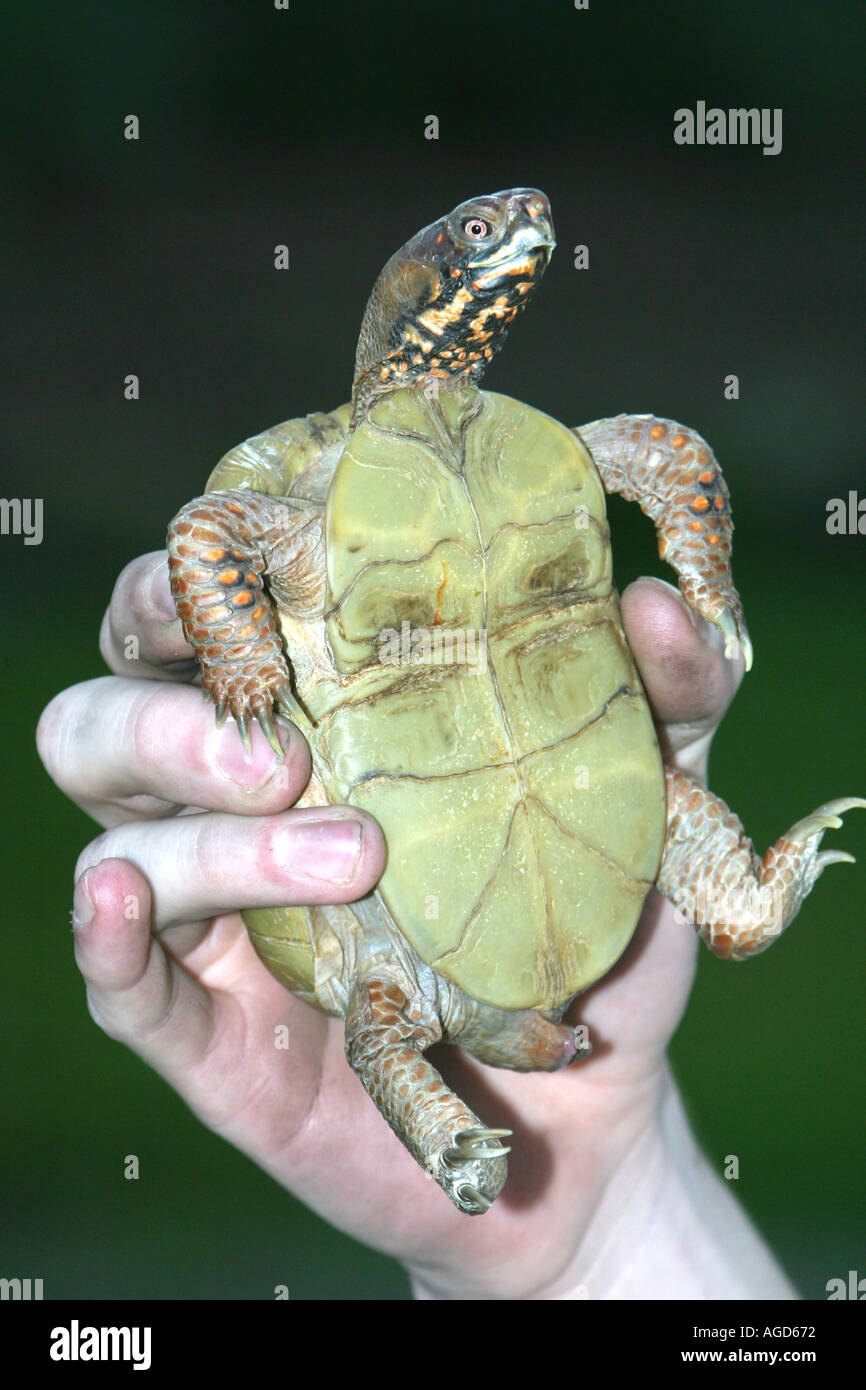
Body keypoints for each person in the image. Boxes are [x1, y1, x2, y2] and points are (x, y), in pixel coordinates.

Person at [36, 553, 797, 1300]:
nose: (568, 1040)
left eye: (545, 1040)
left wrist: (583, 1240)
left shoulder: (388, 995)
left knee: (220, 558)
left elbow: (376, 1046)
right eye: (563, 1030)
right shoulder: (596, 892)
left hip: (337, 596)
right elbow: (662, 809)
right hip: (501, 564)